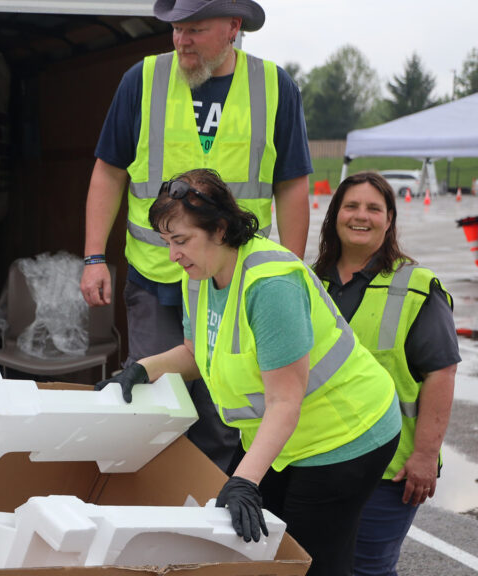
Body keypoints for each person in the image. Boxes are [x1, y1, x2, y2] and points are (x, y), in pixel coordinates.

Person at [102, 168, 400, 576]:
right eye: (168, 241)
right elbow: (196, 350)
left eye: (182, 240)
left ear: (221, 230)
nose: (173, 254)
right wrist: (141, 370)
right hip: (285, 432)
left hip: (346, 432)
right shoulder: (199, 274)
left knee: (309, 559)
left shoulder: (270, 283)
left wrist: (245, 481)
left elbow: (285, 400)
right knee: (251, 540)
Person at [81, 0, 312, 471]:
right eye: (175, 29)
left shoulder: (274, 87)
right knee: (153, 399)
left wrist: (287, 273)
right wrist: (93, 257)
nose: (181, 40)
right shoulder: (141, 80)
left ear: (233, 28)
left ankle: (212, 503)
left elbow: (292, 185)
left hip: (235, 282)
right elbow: (109, 172)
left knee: (224, 410)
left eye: (195, 30)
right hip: (157, 278)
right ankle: (150, 498)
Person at [312, 172, 459, 576]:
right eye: (351, 206)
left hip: (388, 468)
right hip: (316, 459)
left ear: (389, 219)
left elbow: (442, 372)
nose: (362, 216)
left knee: (368, 568)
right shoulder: (309, 282)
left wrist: (426, 456)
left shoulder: (415, 287)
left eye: (374, 208)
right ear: (334, 216)